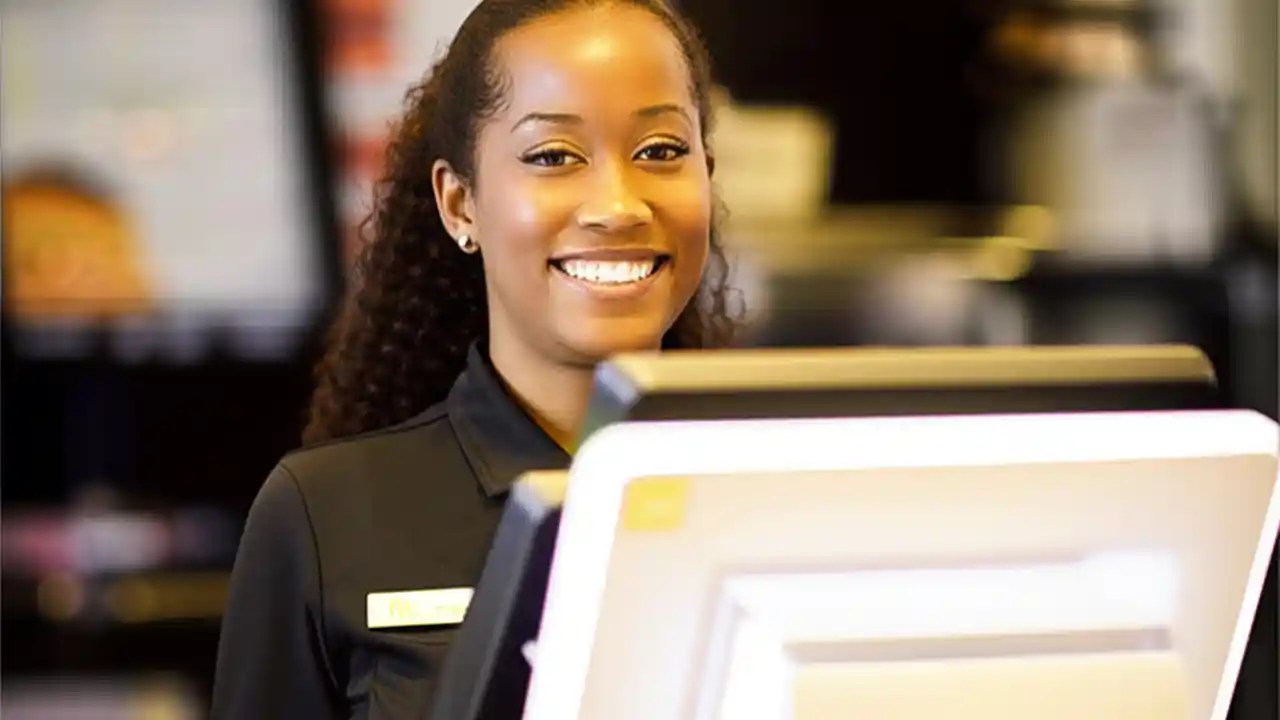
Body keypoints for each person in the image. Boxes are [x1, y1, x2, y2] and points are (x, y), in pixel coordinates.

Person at [210, 1, 735, 717]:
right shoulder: (326, 514)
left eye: (660, 151)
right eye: (553, 156)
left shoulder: (785, 492)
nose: (618, 205)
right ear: (460, 204)